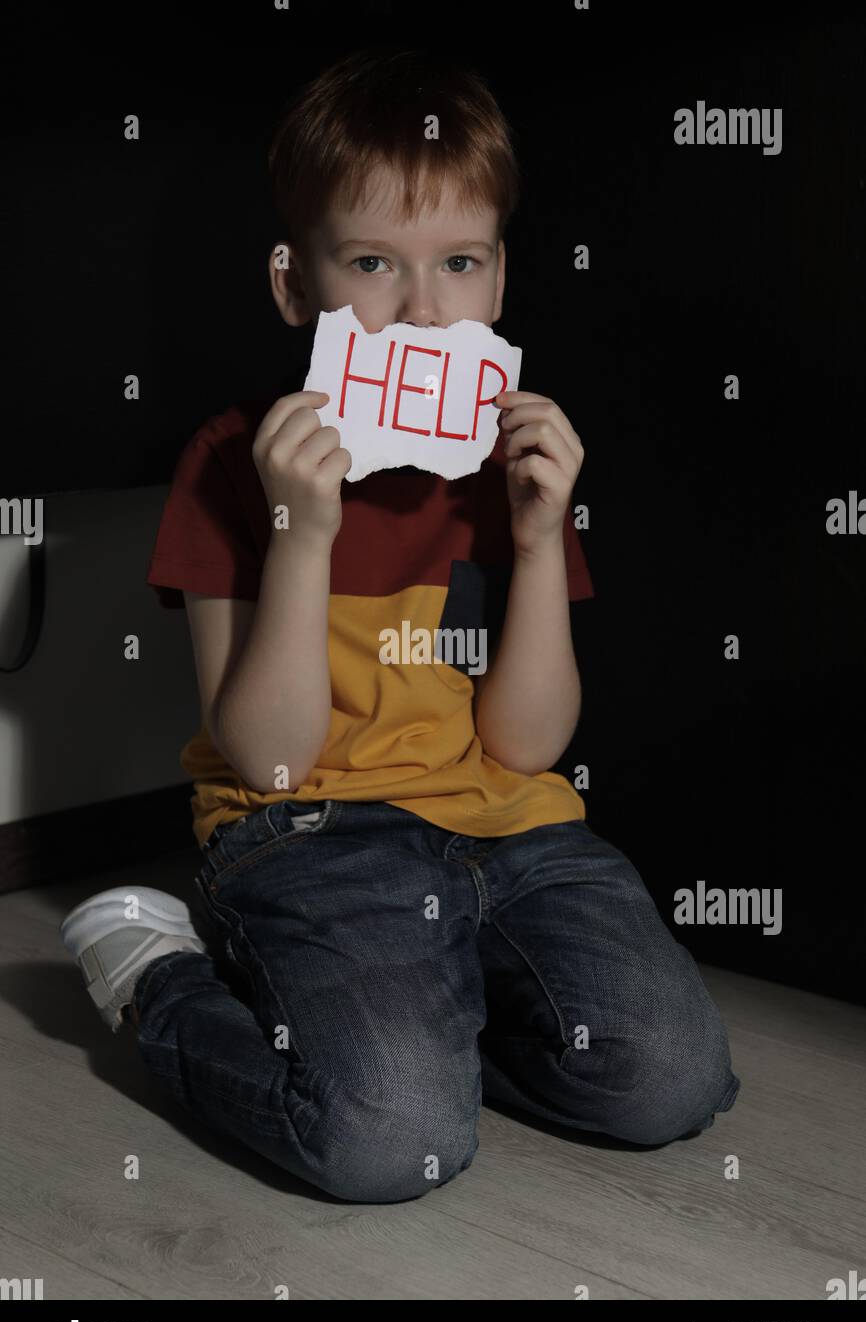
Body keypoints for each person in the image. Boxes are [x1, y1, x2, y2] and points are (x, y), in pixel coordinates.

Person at [62, 47, 740, 1203]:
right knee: (380, 1138)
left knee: (671, 1083)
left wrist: (534, 540)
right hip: (307, 825)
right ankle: (165, 976)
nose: (423, 311)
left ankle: (408, 1019)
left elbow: (526, 747)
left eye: (458, 264)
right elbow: (266, 755)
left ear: (498, 277)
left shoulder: (508, 463)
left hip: (505, 825)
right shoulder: (232, 463)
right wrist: (303, 534)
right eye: (372, 263)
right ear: (294, 285)